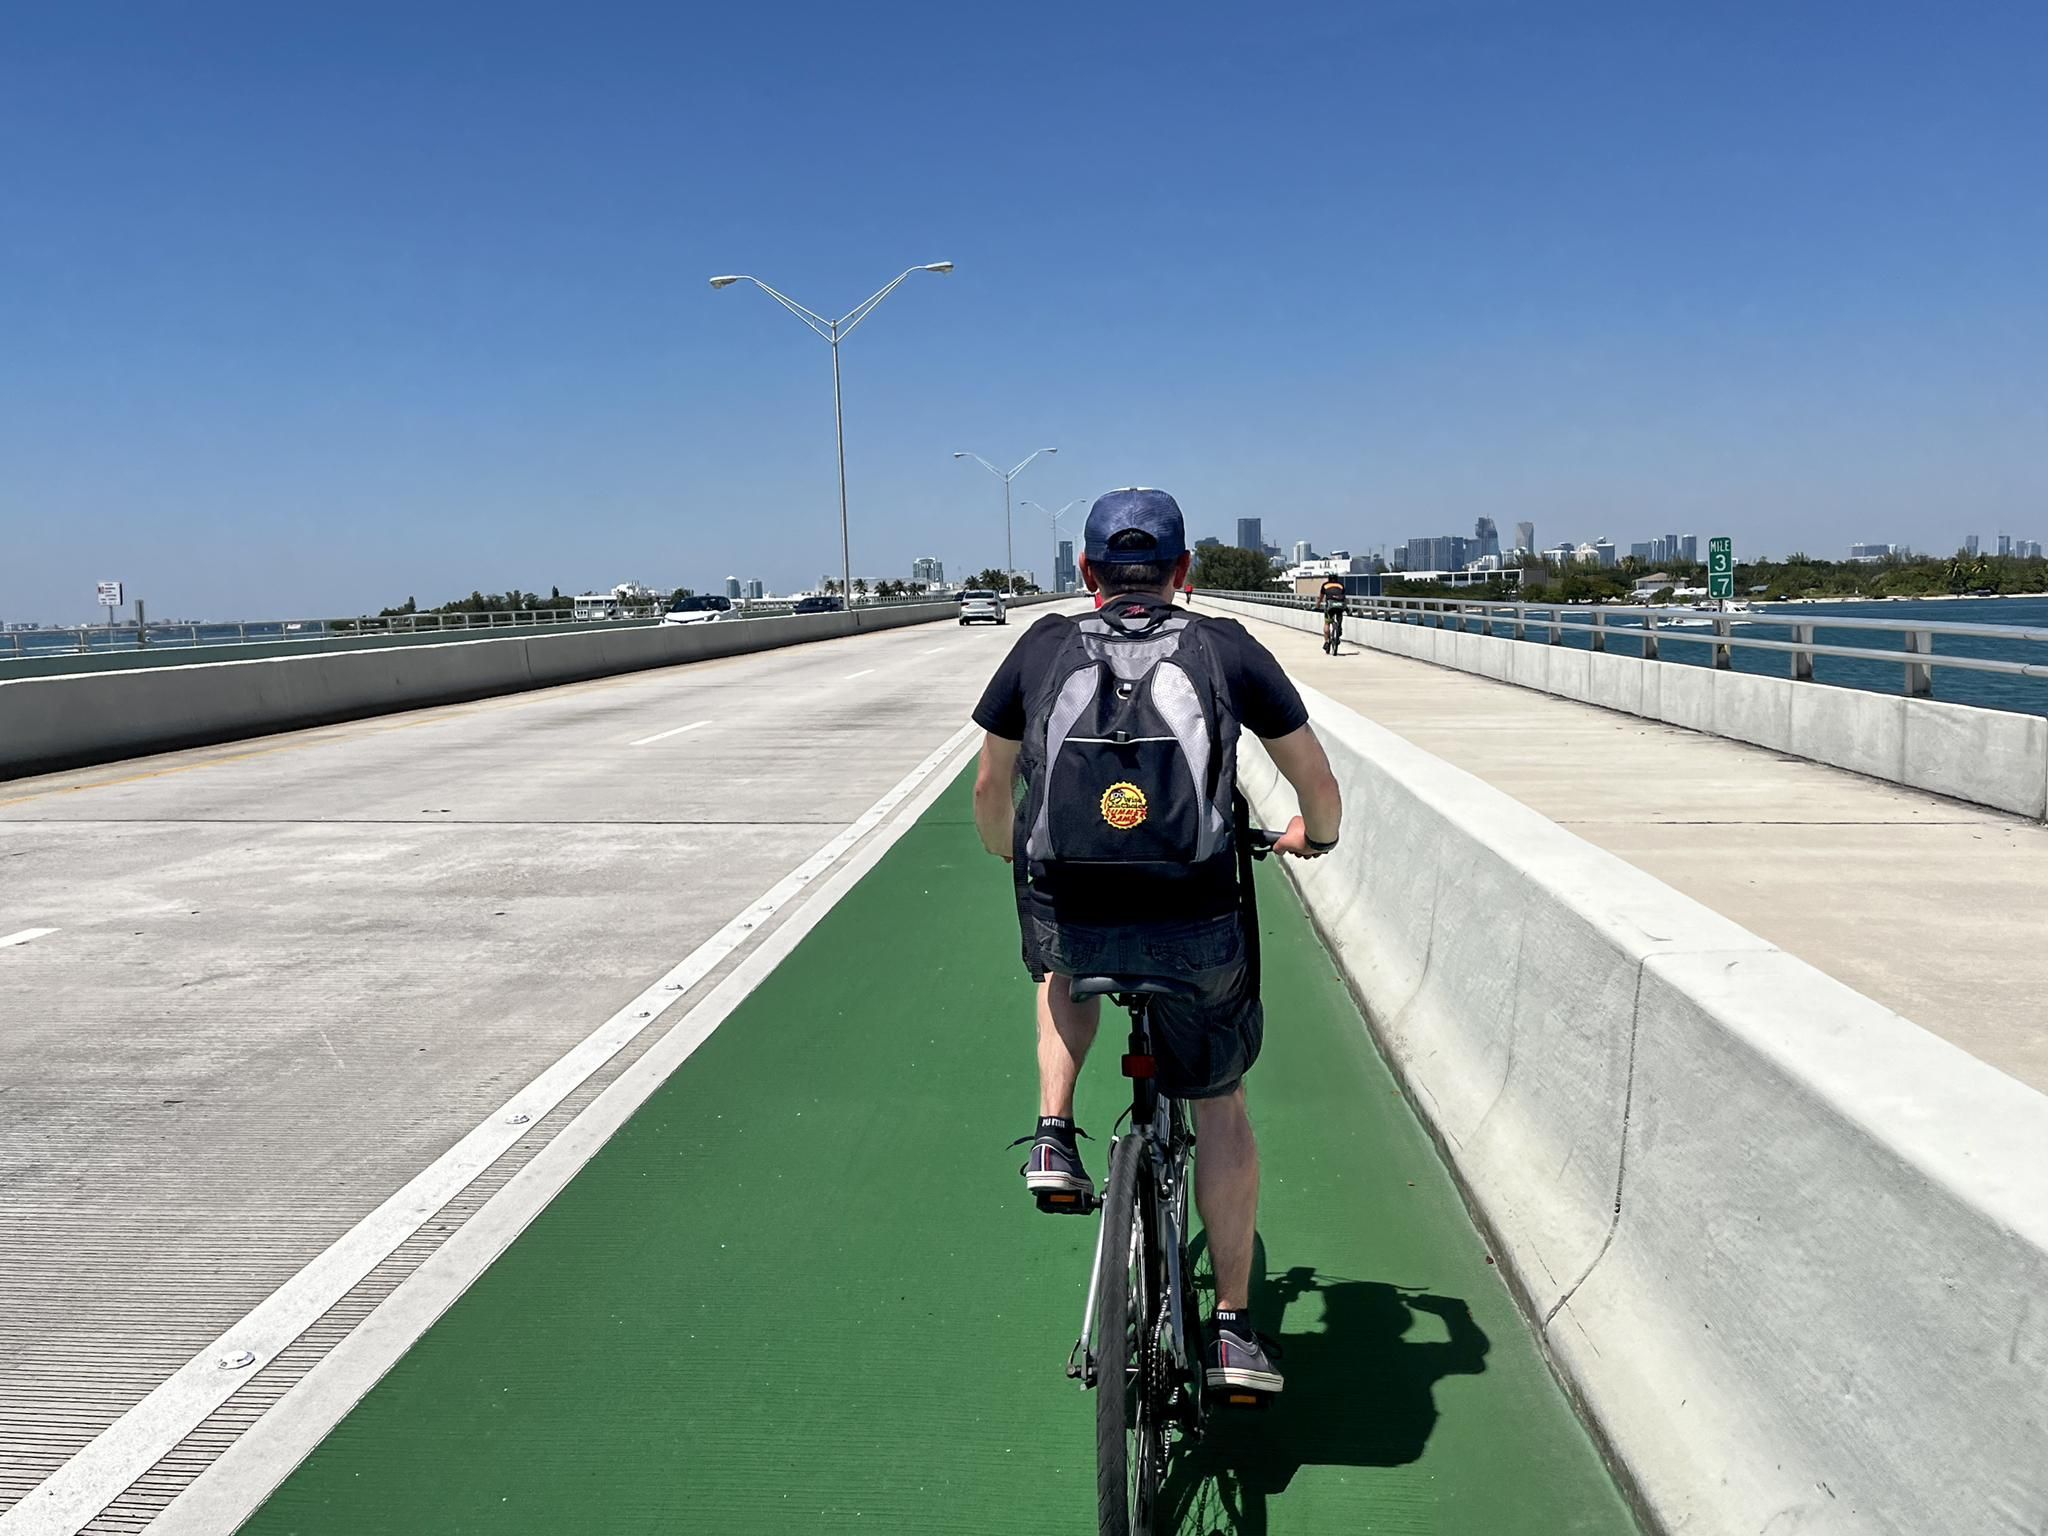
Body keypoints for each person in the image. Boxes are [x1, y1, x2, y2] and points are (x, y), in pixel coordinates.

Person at [971, 487, 1344, 1396]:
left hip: (1073, 905)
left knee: (1061, 970)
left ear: (1087, 571)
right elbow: (1315, 780)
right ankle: (1232, 1333)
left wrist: (1010, 849)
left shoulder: (1042, 646)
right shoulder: (1225, 647)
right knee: (1219, 1104)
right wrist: (1315, 835)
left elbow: (991, 786)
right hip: (1196, 921)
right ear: (1184, 571)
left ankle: (1054, 1134)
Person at [1317, 574, 1347, 654]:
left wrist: (1317, 605)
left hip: (1330, 606)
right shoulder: (1341, 585)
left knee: (1327, 623)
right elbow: (1344, 597)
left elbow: (1321, 597)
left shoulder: (1325, 585)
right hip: (1340, 605)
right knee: (1339, 615)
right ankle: (1339, 628)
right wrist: (1346, 608)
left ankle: (1327, 641)